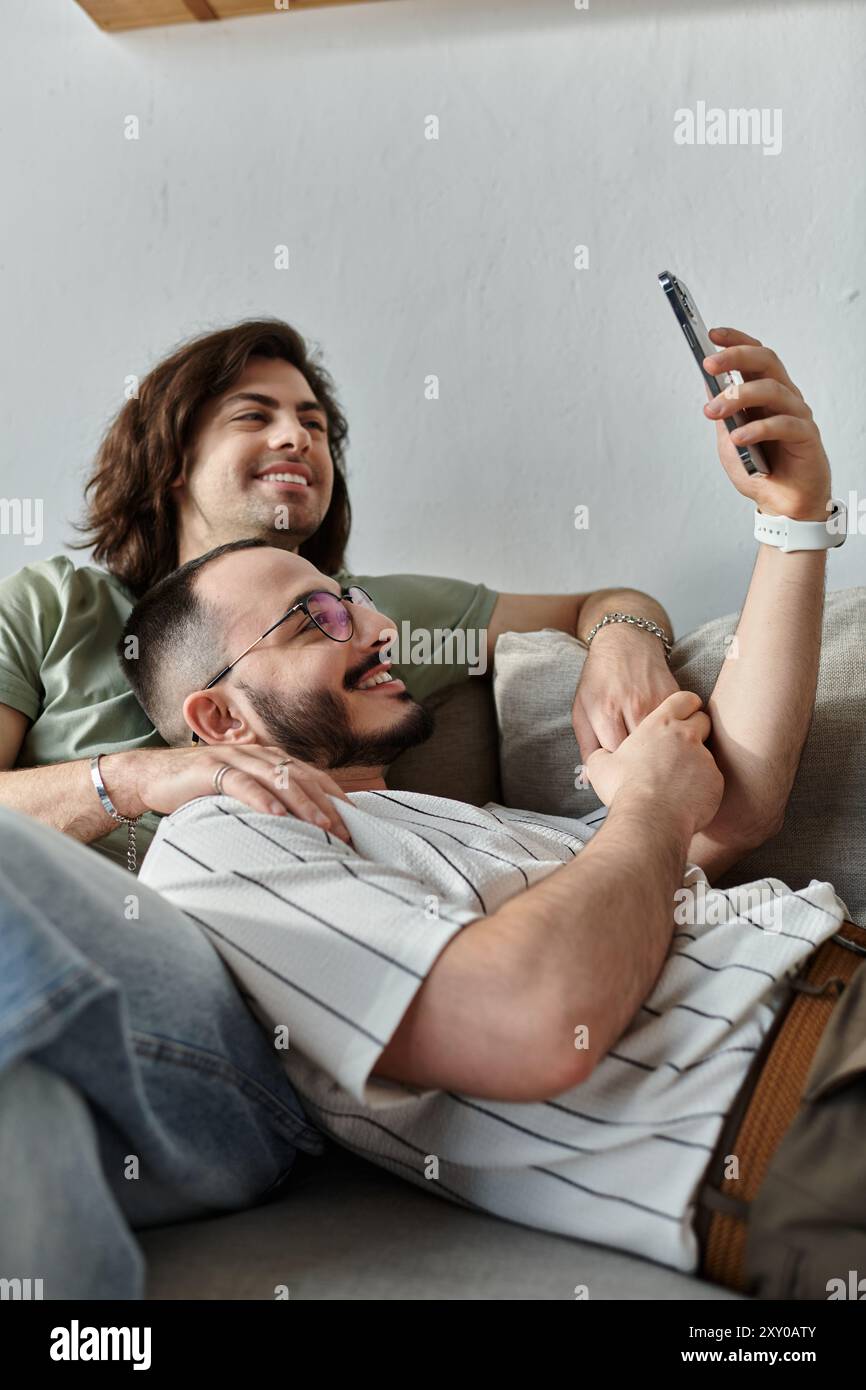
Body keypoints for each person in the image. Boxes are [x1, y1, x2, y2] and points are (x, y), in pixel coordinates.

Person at [125, 338, 860, 1296]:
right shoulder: (215, 847)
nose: (381, 628)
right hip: (806, 1105)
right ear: (218, 719)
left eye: (358, 604)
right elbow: (529, 1019)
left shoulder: (456, 820)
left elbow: (737, 807)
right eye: (319, 621)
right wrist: (647, 805)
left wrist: (792, 520)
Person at [0, 317, 676, 872]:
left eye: (314, 425)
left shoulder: (369, 620)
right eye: (254, 416)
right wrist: (136, 779)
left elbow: (607, 600)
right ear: (173, 461)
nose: (296, 437)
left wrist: (622, 642)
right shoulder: (51, 606)